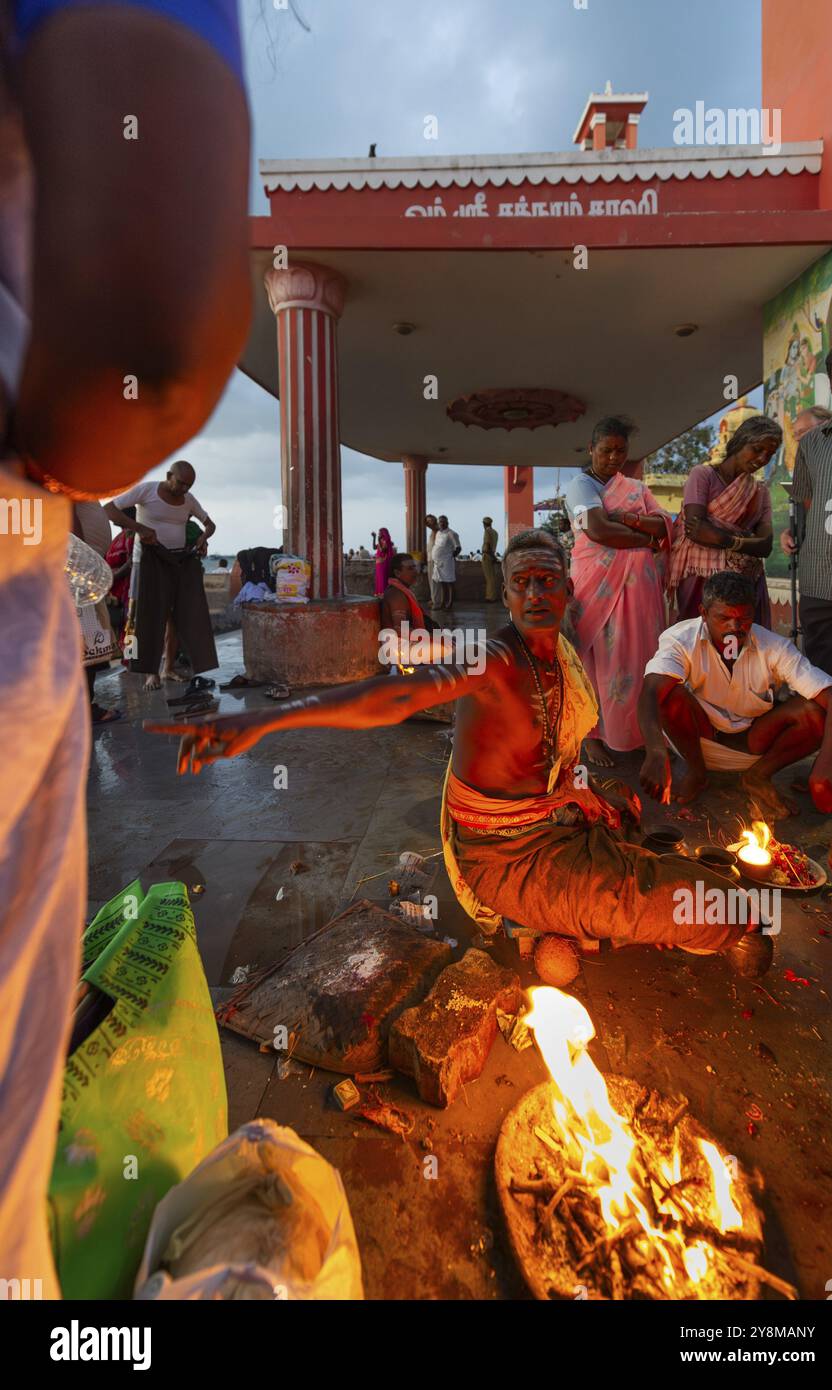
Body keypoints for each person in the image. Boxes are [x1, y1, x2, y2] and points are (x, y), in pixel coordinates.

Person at [0, 0, 250, 1301]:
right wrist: (49, 457)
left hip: (132, 555)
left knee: (173, 625)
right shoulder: (144, 499)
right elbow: (144, 329)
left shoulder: (187, 503)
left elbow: (184, 507)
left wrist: (184, 506)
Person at [148, 530, 775, 979]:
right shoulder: (495, 657)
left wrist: (578, 793)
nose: (535, 594)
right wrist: (271, 719)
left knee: (628, 814)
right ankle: (601, 915)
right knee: (717, 907)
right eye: (521, 583)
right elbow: (397, 693)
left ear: (566, 589)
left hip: (549, 818)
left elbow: (559, 752)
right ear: (505, 594)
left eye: (547, 581)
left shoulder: (562, 652)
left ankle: (589, 911)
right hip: (504, 858)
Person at [638, 570, 832, 820]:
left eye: (744, 619)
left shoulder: (774, 646)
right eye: (724, 618)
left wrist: (822, 776)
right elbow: (651, 692)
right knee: (669, 693)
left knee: (815, 712)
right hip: (699, 738)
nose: (735, 627)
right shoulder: (680, 639)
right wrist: (655, 750)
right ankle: (697, 773)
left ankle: (758, 776)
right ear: (703, 613)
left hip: (755, 742)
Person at [782, 336, 832, 801]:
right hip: (821, 584)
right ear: (831, 387)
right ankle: (830, 776)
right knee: (829, 686)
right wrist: (793, 532)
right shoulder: (813, 445)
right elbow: (803, 505)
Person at [565, 416, 672, 767]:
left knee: (639, 657)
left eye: (620, 451)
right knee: (597, 660)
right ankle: (591, 737)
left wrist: (632, 522)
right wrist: (644, 538)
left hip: (640, 590)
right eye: (606, 450)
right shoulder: (581, 485)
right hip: (596, 584)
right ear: (591, 449)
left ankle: (637, 732)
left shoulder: (636, 488)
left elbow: (665, 525)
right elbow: (598, 530)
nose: (613, 457)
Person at [104, 460, 217, 691]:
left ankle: (168, 668)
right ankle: (150, 672)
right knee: (148, 616)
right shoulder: (147, 490)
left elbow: (210, 525)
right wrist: (139, 528)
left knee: (177, 617)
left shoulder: (188, 500)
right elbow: (109, 509)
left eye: (189, 486)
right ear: (169, 475)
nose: (184, 489)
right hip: (147, 559)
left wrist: (203, 538)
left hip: (177, 560)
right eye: (181, 483)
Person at [669, 415, 780, 629]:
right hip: (701, 579)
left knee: (742, 646)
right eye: (757, 449)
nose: (763, 458)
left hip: (745, 582)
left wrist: (723, 538)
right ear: (740, 441)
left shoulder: (760, 491)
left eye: (770, 454)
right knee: (699, 640)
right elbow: (695, 530)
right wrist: (747, 540)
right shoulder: (703, 475)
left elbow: (765, 546)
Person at [73, 501, 122, 723]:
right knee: (86, 648)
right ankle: (83, 709)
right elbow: (69, 520)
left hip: (80, 573)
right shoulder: (66, 481)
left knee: (87, 647)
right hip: (78, 575)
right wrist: (83, 562)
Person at [380, 553, 436, 635]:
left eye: (414, 567)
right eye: (410, 568)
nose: (415, 571)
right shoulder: (396, 595)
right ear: (397, 573)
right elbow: (400, 629)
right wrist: (430, 637)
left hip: (406, 640)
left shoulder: (400, 590)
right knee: (448, 645)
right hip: (397, 644)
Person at [432, 514, 461, 610]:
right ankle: (443, 603)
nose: (441, 523)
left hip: (447, 563)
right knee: (442, 583)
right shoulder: (438, 533)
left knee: (449, 583)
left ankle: (450, 603)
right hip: (438, 563)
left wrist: (450, 557)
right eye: (440, 522)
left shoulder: (451, 533)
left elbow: (458, 547)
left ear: (447, 523)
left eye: (443, 522)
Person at [425, 513, 444, 610]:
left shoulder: (437, 531)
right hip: (430, 559)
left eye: (430, 521)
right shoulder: (433, 532)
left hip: (435, 560)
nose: (428, 523)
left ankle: (437, 603)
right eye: (427, 521)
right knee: (431, 582)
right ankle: (434, 600)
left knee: (435, 582)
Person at [372, 527, 396, 596]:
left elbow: (383, 550)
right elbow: (374, 547)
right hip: (379, 563)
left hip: (383, 562)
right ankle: (379, 593)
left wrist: (378, 540)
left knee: (383, 578)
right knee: (379, 579)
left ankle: (383, 594)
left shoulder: (386, 541)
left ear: (383, 533)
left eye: (379, 532)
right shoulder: (381, 541)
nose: (379, 534)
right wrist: (374, 537)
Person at [481, 516, 499, 601]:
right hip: (492, 555)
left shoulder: (487, 532)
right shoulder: (495, 532)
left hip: (487, 556)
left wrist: (492, 556)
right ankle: (493, 596)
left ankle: (490, 597)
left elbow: (487, 545)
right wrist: (494, 557)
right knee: (492, 578)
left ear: (484, 524)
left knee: (489, 578)